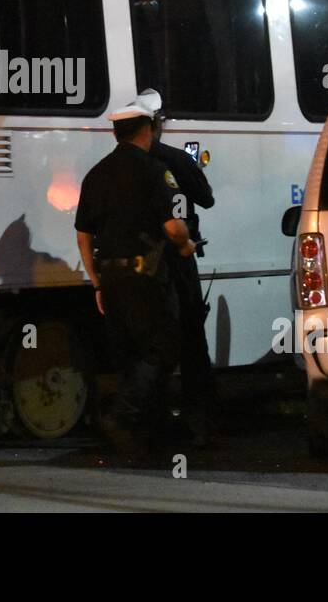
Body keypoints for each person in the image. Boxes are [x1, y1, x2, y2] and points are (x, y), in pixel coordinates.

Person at [75, 98, 196, 453]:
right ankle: (122, 416)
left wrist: (96, 280)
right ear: (147, 129)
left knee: (128, 354)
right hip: (146, 277)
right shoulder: (156, 171)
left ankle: (141, 435)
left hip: (110, 278)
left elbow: (83, 234)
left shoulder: (95, 174)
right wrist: (187, 244)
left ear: (116, 132)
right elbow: (174, 227)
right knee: (160, 348)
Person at [134, 89, 216, 444]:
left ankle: (153, 422)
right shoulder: (176, 160)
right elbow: (206, 198)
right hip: (178, 260)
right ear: (156, 123)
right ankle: (200, 419)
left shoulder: (121, 163)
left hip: (140, 267)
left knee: (152, 343)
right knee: (192, 340)